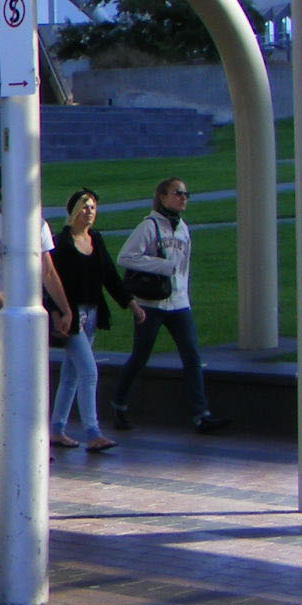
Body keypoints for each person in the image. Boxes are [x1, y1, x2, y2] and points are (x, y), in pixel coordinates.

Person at [0, 166, 73, 454]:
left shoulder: (38, 225)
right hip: (5, 315)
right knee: (20, 376)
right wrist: (8, 310)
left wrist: (64, 308)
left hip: (35, 313)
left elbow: (48, 271)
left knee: (27, 376)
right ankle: (20, 440)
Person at [109, 177, 226, 432]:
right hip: (150, 303)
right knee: (140, 356)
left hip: (179, 303)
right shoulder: (149, 226)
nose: (183, 198)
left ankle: (200, 414)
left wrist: (184, 293)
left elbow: (183, 269)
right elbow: (125, 257)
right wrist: (161, 266)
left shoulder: (183, 228)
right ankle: (119, 403)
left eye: (186, 193)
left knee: (192, 356)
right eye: (177, 193)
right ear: (162, 197)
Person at [49, 188, 134, 453]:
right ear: (73, 211)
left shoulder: (96, 240)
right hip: (70, 316)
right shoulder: (60, 243)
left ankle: (56, 429)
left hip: (91, 315)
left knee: (71, 375)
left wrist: (130, 303)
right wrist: (57, 313)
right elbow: (49, 281)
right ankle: (92, 432)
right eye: (85, 207)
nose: (89, 213)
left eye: (93, 208)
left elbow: (109, 275)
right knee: (88, 371)